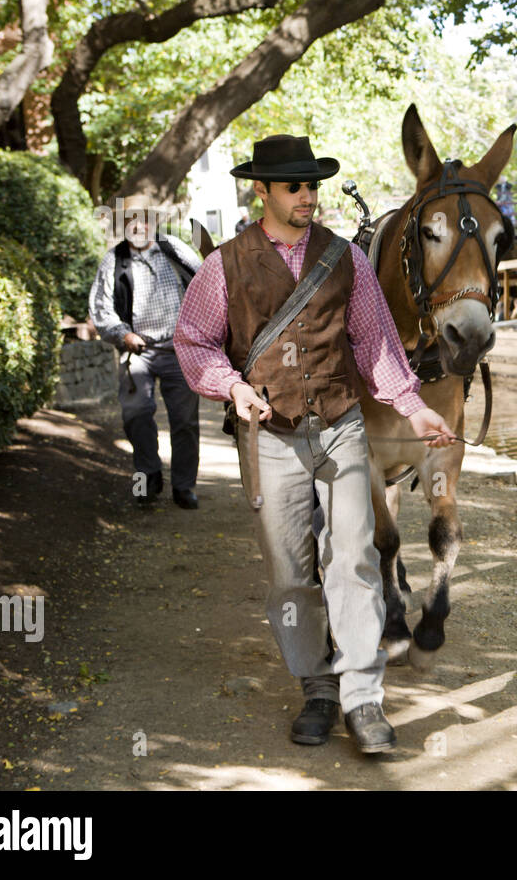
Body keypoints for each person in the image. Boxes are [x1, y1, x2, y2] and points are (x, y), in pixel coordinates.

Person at [173, 134, 455, 755]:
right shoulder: (225, 264)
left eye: (313, 185)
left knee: (354, 559)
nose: (308, 196)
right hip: (272, 437)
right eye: (295, 186)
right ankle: (317, 687)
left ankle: (362, 698)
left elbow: (377, 343)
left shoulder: (345, 260)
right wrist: (231, 386)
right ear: (263, 191)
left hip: (340, 425)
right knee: (289, 575)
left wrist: (414, 410)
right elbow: (194, 341)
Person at [88, 193, 204, 509]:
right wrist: (123, 333)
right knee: (136, 415)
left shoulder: (175, 250)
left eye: (144, 217)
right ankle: (148, 478)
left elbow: (205, 285)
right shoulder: (114, 260)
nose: (138, 224)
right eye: (130, 219)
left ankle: (184, 487)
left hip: (178, 351)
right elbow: (101, 309)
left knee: (185, 422)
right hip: (136, 352)